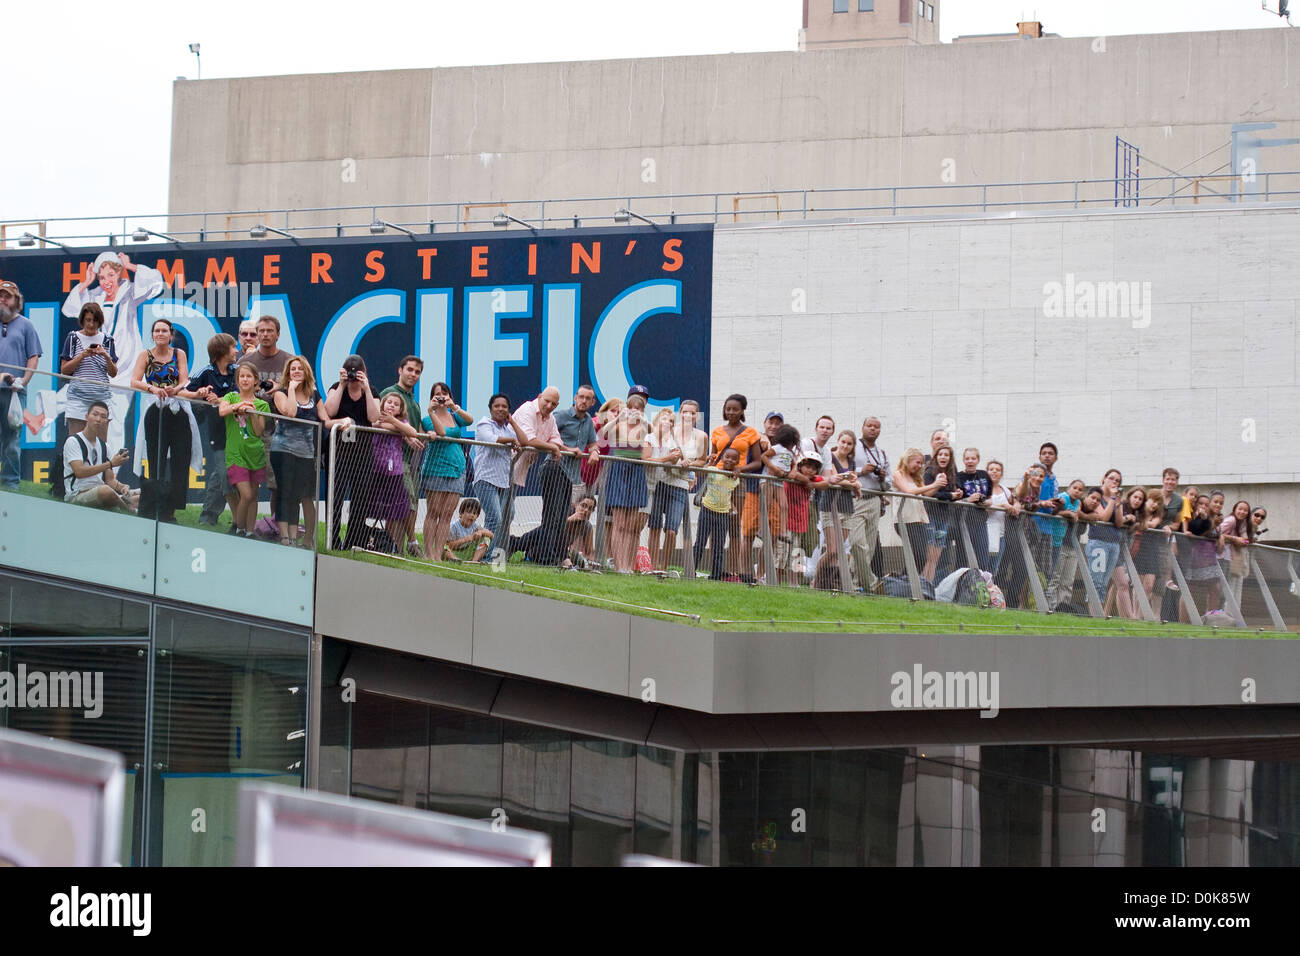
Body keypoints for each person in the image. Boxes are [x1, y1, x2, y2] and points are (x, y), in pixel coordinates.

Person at [61, 252, 163, 450]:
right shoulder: (94, 296)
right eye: (101, 277)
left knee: (113, 423)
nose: (106, 281)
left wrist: (131, 266)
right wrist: (85, 282)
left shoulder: (131, 292)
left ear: (119, 273)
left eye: (110, 275)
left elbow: (155, 283)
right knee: (84, 419)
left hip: (124, 368)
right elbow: (70, 309)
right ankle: (83, 470)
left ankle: (110, 474)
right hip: (97, 373)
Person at [131, 318, 201, 523]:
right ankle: (155, 506)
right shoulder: (145, 355)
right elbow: (134, 380)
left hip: (178, 409)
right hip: (155, 409)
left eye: (164, 331)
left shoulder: (179, 353)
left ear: (171, 335)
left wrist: (175, 390)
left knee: (181, 460)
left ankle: (171, 509)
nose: (160, 334)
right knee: (156, 459)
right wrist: (152, 388)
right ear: (152, 334)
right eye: (157, 330)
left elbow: (184, 380)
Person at [511, 386, 578, 565]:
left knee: (510, 512)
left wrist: (561, 447)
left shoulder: (550, 418)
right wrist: (553, 448)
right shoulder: (527, 410)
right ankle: (498, 553)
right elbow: (529, 440)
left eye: (553, 404)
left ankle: (513, 545)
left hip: (519, 469)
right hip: (506, 466)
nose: (549, 406)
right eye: (546, 401)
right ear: (539, 396)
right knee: (503, 513)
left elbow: (555, 438)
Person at [270, 356, 330, 546]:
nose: (296, 371)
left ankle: (294, 536)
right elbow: (291, 413)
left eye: (300, 369)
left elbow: (325, 420)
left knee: (296, 494)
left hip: (306, 452)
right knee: (284, 491)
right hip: (283, 449)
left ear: (306, 372)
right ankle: (285, 535)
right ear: (288, 373)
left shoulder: (314, 394)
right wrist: (291, 389)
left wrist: (344, 422)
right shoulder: (280, 393)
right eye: (293, 369)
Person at [324, 354, 382, 550]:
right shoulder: (336, 387)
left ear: (364, 373)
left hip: (363, 454)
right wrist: (341, 386)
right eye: (350, 373)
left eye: (356, 373)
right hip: (339, 452)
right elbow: (329, 411)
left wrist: (365, 389)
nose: (353, 377)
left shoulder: (371, 391)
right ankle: (332, 539)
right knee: (335, 497)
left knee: (360, 498)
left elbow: (374, 417)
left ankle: (353, 541)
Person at [709, 395, 766, 581]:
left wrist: (741, 468)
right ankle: (716, 568)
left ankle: (733, 570)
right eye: (728, 409)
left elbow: (758, 462)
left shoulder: (751, 432)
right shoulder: (717, 431)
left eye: (735, 409)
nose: (731, 412)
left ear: (742, 411)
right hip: (718, 482)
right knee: (716, 525)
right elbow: (713, 457)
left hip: (739, 483)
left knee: (734, 526)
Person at [188, 334, 241, 528]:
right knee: (224, 476)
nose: (237, 350)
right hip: (218, 434)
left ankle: (228, 520)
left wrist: (221, 400)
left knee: (234, 477)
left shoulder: (238, 371)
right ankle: (237, 522)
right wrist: (199, 394)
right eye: (233, 347)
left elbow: (248, 394)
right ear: (222, 351)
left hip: (239, 433)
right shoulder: (205, 372)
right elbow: (185, 392)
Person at [421, 382, 473, 561]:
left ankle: (438, 553)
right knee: (433, 511)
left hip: (457, 469)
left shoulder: (454, 416)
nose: (441, 397)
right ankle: (429, 553)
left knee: (447, 514)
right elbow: (441, 432)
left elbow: (469, 420)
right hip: (436, 469)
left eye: (444, 394)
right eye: (437, 395)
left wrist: (454, 407)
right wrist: (431, 411)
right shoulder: (427, 418)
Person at [601, 392, 651, 573]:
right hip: (619, 469)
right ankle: (619, 565)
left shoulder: (643, 426)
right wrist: (618, 419)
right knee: (619, 522)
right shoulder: (618, 425)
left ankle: (629, 566)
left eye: (638, 409)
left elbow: (652, 431)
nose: (634, 412)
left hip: (636, 471)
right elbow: (604, 433)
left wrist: (642, 420)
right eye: (631, 408)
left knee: (631, 524)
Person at [470, 393, 527, 550]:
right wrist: (511, 441)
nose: (500, 409)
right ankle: (489, 556)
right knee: (495, 517)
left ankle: (484, 552)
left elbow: (524, 441)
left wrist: (513, 422)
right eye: (497, 406)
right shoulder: (484, 424)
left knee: (506, 515)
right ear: (490, 409)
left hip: (503, 482)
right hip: (486, 479)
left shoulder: (508, 430)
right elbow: (491, 439)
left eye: (504, 406)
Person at [381, 356, 426, 554]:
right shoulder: (390, 393)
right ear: (400, 370)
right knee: (402, 502)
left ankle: (397, 549)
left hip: (410, 460)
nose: (413, 374)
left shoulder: (413, 402)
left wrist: (428, 433)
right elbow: (379, 420)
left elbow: (416, 428)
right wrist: (406, 434)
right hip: (392, 459)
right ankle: (409, 542)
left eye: (417, 372)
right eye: (410, 370)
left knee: (408, 503)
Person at [219, 363, 270, 536]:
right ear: (237, 379)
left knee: (253, 496)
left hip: (255, 454)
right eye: (242, 376)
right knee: (246, 495)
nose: (245, 379)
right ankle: (238, 528)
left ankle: (249, 531)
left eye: (249, 376)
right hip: (235, 454)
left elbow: (258, 431)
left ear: (256, 380)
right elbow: (222, 410)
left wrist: (252, 412)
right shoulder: (231, 397)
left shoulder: (262, 404)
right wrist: (237, 407)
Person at [0, 280, 41, 489]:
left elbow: (33, 357)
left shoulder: (26, 325)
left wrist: (23, 381)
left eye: (7, 296)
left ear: (16, 300)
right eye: (0, 295)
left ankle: (10, 485)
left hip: (14, 392)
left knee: (12, 442)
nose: (3, 299)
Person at [369, 393, 421, 554]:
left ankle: (390, 544)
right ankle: (370, 539)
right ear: (382, 404)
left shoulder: (401, 421)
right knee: (374, 507)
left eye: (395, 404)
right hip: (377, 469)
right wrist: (398, 429)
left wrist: (395, 423)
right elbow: (377, 425)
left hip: (395, 471)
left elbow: (412, 431)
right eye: (388, 402)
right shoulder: (377, 417)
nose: (391, 405)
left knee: (395, 509)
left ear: (401, 409)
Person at [62, 401, 137, 511]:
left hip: (99, 490)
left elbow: (110, 480)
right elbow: (79, 472)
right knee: (105, 491)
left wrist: (122, 488)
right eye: (95, 414)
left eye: (103, 417)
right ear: (87, 417)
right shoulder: (73, 441)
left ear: (106, 421)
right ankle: (129, 509)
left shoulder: (105, 446)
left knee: (140, 494)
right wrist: (111, 464)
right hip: (77, 495)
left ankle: (125, 501)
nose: (98, 419)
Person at [59, 303, 119, 437]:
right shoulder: (73, 338)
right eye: (88, 320)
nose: (91, 324)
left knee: (100, 446)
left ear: (100, 321)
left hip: (101, 399)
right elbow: (64, 370)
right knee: (76, 443)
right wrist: (82, 356)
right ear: (82, 320)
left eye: (95, 320)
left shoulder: (108, 340)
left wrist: (105, 356)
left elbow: (113, 373)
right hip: (78, 399)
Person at [845, 416, 890, 592]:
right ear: (862, 427)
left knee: (869, 548)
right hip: (856, 498)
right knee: (857, 543)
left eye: (876, 427)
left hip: (875, 500)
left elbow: (889, 483)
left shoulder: (882, 453)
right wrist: (861, 471)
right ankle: (871, 583)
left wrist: (882, 477)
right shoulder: (853, 448)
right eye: (869, 426)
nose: (873, 429)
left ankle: (856, 586)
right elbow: (842, 470)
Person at [814, 429, 862, 588]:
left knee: (840, 551)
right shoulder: (830, 457)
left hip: (847, 507)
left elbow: (853, 478)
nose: (845, 446)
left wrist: (856, 484)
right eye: (843, 442)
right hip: (829, 506)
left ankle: (830, 583)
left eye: (849, 443)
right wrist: (854, 483)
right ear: (838, 441)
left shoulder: (852, 462)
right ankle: (815, 580)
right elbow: (835, 479)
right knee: (832, 550)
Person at [644, 408, 688, 571]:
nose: (668, 423)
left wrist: (683, 462)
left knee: (671, 530)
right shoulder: (650, 437)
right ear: (656, 421)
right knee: (654, 527)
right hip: (658, 485)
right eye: (665, 419)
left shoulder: (676, 440)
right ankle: (652, 566)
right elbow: (649, 459)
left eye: (671, 421)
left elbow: (683, 461)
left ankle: (663, 568)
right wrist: (670, 459)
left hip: (677, 487)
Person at [891, 448, 942, 578]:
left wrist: (938, 485)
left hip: (919, 520)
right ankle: (903, 580)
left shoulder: (917, 478)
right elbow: (908, 491)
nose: (919, 466)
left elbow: (926, 494)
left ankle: (903, 580)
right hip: (905, 520)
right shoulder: (898, 474)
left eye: (921, 463)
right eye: (917, 462)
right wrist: (933, 484)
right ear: (908, 460)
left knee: (920, 557)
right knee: (917, 555)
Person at [508, 495, 598, 567]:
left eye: (590, 508)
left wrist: (590, 563)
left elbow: (589, 552)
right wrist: (570, 519)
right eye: (583, 506)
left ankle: (514, 543)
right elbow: (551, 527)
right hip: (543, 546)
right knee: (544, 529)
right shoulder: (566, 511)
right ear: (576, 505)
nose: (586, 510)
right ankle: (513, 543)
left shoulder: (587, 526)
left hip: (556, 553)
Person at [694, 446, 742, 581]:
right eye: (727, 457)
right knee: (700, 543)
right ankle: (690, 570)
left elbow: (729, 494)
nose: (730, 460)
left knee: (719, 546)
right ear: (722, 458)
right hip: (707, 510)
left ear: (737, 462)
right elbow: (699, 473)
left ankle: (715, 576)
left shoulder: (735, 478)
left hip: (723, 514)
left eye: (734, 459)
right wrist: (708, 462)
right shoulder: (713, 471)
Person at [552, 384, 601, 506]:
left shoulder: (588, 420)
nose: (583, 401)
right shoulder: (561, 416)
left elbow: (593, 443)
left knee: (567, 514)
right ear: (575, 398)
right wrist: (568, 449)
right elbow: (548, 437)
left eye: (588, 398)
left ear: (593, 402)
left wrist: (595, 452)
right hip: (555, 469)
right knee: (553, 514)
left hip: (574, 477)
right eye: (581, 397)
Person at [922, 444, 963, 583]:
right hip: (931, 514)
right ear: (936, 456)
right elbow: (929, 494)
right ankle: (922, 584)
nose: (943, 457)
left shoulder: (952, 474)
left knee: (936, 556)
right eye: (940, 454)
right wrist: (950, 495)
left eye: (946, 455)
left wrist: (958, 493)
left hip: (944, 516)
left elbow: (953, 491)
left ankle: (929, 584)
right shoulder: (929, 472)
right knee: (929, 554)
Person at [1046, 478, 1085, 609]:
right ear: (1068, 488)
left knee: (1067, 581)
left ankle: (1063, 607)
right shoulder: (1063, 497)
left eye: (1080, 490)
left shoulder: (1078, 502)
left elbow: (1078, 514)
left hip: (1070, 543)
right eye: (1075, 488)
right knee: (1055, 577)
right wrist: (1068, 513)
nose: (1077, 491)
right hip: (1057, 541)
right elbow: (1054, 512)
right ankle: (1049, 606)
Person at [1112, 485, 1148, 618]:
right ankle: (1125, 615)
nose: (1137, 500)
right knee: (1120, 584)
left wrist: (1136, 524)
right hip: (1113, 546)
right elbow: (1118, 522)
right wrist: (1128, 518)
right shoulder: (1123, 506)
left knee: (1122, 585)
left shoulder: (1139, 514)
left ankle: (1125, 616)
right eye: (1135, 497)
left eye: (1140, 499)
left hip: (1125, 551)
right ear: (1130, 496)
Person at [953, 447, 992, 572]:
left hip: (981, 521)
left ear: (978, 460)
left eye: (973, 458)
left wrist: (985, 502)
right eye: (967, 458)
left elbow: (990, 498)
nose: (970, 461)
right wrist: (969, 499)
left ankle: (980, 587)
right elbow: (954, 501)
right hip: (964, 522)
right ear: (963, 460)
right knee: (963, 559)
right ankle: (961, 587)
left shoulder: (984, 475)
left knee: (982, 557)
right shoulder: (958, 477)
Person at [1219, 500, 1254, 612]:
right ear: (1234, 509)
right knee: (1221, 589)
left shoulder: (1243, 524)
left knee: (1234, 589)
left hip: (1232, 559)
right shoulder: (1231, 520)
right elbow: (1216, 533)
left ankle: (1232, 616)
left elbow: (1246, 541)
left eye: (1245, 510)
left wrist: (1245, 541)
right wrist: (1234, 539)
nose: (1242, 512)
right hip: (1222, 557)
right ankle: (1219, 615)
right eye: (1240, 509)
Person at [445, 498, 494, 562]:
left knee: (486, 538)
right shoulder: (453, 527)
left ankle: (473, 562)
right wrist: (465, 540)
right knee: (444, 546)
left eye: (474, 513)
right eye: (469, 512)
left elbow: (492, 535)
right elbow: (449, 545)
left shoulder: (475, 526)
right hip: (453, 552)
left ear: (477, 517)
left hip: (466, 553)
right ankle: (455, 560)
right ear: (461, 514)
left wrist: (481, 532)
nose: (472, 515)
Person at [985, 460, 1012, 573]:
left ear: (1001, 473)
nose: (994, 472)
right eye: (991, 469)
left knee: (994, 568)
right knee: (984, 566)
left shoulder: (1005, 490)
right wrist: (1002, 505)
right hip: (986, 532)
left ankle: (991, 590)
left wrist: (1013, 507)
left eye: (997, 470)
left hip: (1001, 535)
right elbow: (984, 505)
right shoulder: (984, 488)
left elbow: (1013, 502)